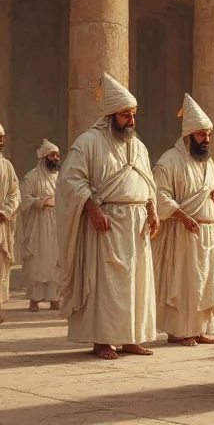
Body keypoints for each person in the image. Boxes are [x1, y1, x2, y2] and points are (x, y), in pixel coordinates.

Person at [56, 73, 159, 359]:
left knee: (135, 283)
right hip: (107, 223)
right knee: (108, 285)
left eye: (133, 115)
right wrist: (92, 209)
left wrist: (152, 210)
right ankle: (102, 340)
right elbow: (72, 180)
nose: (131, 121)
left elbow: (149, 183)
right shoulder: (89, 142)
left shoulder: (138, 146)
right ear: (112, 115)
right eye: (126, 115)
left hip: (137, 225)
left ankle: (130, 338)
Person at [152, 94, 214, 346]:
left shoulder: (208, 163)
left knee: (204, 282)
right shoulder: (169, 161)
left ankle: (200, 328)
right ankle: (179, 331)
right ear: (189, 135)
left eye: (208, 135)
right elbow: (159, 194)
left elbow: (206, 193)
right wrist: (182, 216)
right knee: (185, 282)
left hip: (206, 231)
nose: (207, 140)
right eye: (202, 135)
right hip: (182, 232)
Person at [20, 140, 60, 312]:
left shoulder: (61, 177)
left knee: (55, 260)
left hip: (56, 223)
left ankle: (54, 298)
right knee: (37, 260)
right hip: (38, 224)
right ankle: (34, 300)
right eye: (52, 155)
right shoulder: (32, 177)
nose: (56, 158)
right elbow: (24, 199)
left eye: (57, 155)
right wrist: (41, 202)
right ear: (44, 158)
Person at [0, 124, 19, 324]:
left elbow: (15, 192)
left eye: (1, 138)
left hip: (1, 224)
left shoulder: (6, 166)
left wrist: (5, 211)